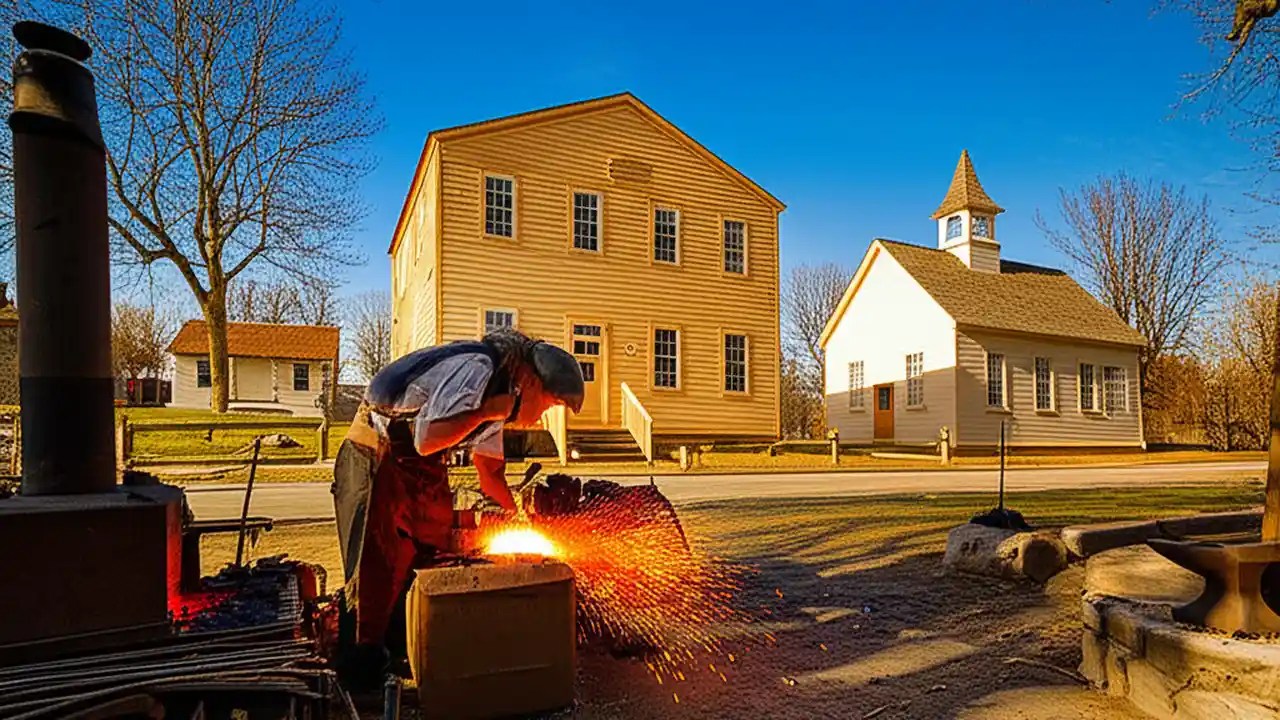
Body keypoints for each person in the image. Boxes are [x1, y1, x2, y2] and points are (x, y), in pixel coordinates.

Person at [331, 328, 584, 679]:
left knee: (430, 543)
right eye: (547, 404)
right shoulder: (477, 368)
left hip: (418, 465)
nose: (542, 416)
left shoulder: (499, 398)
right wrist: (486, 412)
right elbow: (427, 437)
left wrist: (516, 520)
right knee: (378, 558)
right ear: (529, 381)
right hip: (376, 454)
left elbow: (490, 473)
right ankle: (361, 666)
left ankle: (405, 644)